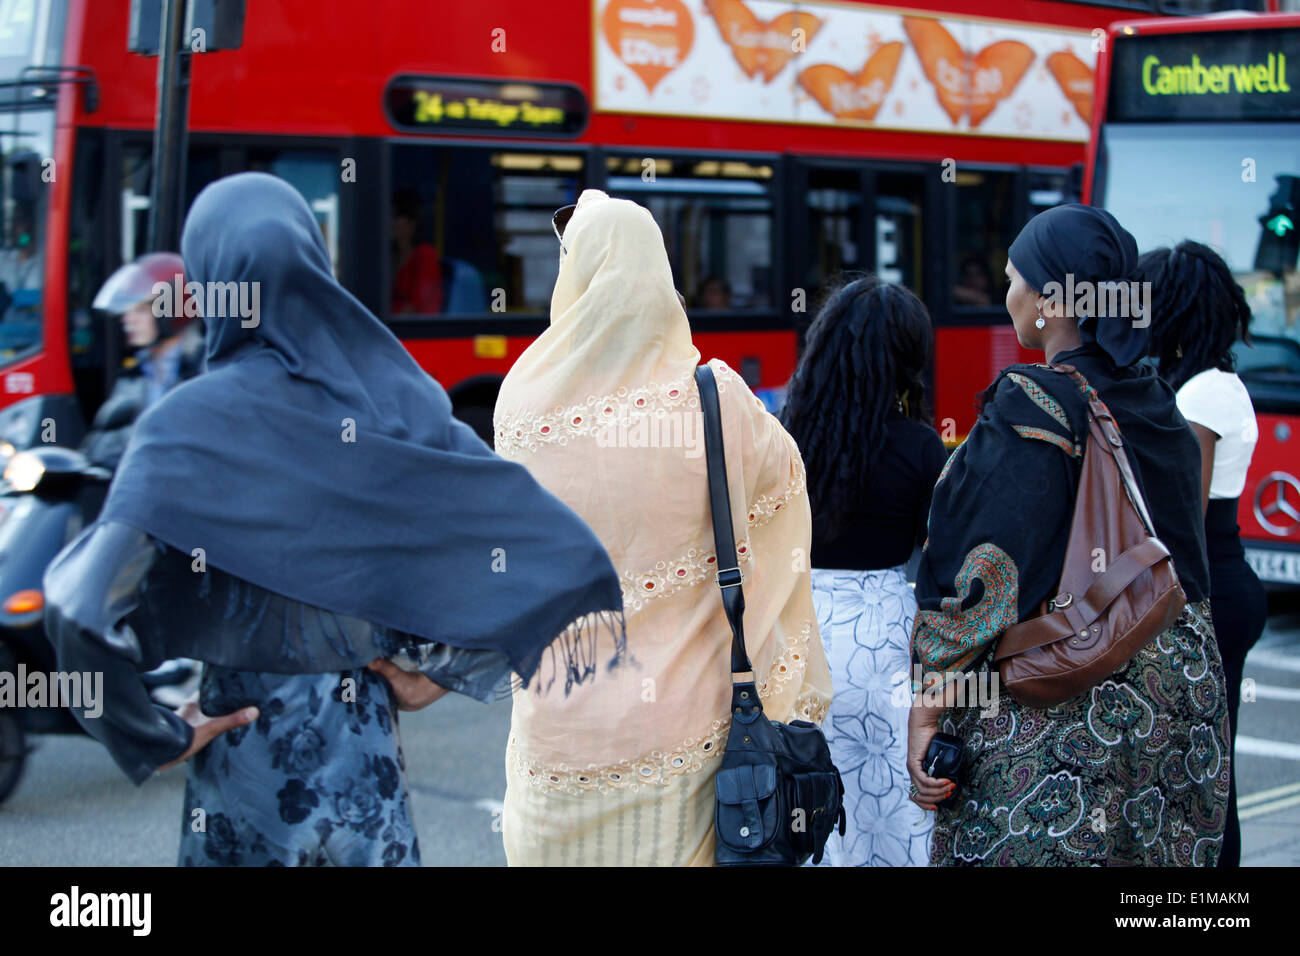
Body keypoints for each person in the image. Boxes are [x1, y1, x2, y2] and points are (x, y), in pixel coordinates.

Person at [44, 173, 626, 867]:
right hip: (363, 763)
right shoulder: (394, 400)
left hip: (243, 759)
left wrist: (155, 734)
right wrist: (431, 678)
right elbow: (557, 555)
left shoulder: (185, 425)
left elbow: (78, 610)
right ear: (313, 260)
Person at [493, 189, 831, 865]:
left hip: (556, 732)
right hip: (685, 733)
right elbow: (784, 488)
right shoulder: (716, 399)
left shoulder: (521, 401)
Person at [907, 204, 1231, 866]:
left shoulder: (1030, 402)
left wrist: (928, 711)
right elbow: (1188, 567)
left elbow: (984, 577)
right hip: (1179, 704)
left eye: (1012, 277)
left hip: (1067, 710)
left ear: (1050, 300)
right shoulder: (1160, 402)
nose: (1006, 294)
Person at [781, 274, 946, 867]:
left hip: (800, 635)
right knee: (887, 810)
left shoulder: (784, 438)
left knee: (809, 801)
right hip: (883, 639)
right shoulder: (922, 448)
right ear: (907, 361)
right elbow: (943, 564)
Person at [1137, 240, 1267, 868]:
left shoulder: (1203, 395)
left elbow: (1179, 511)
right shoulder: (1207, 382)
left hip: (1208, 589)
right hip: (1217, 581)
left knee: (1210, 776)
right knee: (1208, 767)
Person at [81, 253, 205, 469]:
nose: (127, 320)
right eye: (127, 312)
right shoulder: (134, 375)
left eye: (140, 309)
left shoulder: (206, 367)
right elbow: (102, 448)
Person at [390, 188, 443, 315]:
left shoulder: (425, 255)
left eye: (394, 216)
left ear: (410, 224)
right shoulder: (390, 256)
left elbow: (418, 308)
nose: (389, 222)